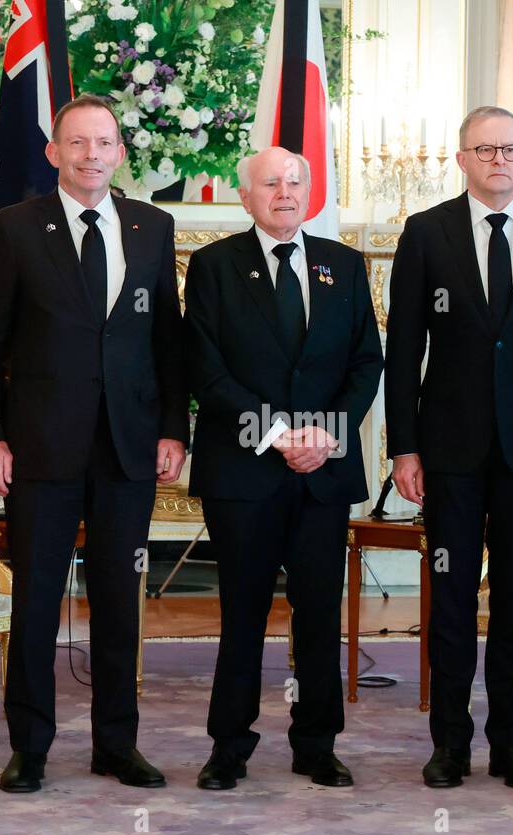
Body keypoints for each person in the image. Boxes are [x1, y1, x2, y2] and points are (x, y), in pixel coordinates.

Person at [0, 94, 189, 793]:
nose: (91, 154)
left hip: (128, 446)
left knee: (119, 601)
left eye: (103, 143)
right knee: (36, 600)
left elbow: (168, 339)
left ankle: (116, 745)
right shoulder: (15, 227)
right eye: (78, 142)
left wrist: (173, 429)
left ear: (120, 152)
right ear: (54, 152)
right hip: (39, 447)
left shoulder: (153, 226)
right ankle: (29, 748)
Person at [385, 106, 513, 789]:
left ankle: (510, 742)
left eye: (510, 149)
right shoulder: (426, 233)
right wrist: (404, 449)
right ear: (462, 159)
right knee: (450, 601)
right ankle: (450, 744)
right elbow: (403, 350)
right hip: (448, 450)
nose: (498, 160)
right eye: (485, 150)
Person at [185, 147, 383, 790]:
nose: (285, 192)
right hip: (244, 472)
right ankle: (229, 748)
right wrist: (274, 434)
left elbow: (366, 362)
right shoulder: (214, 266)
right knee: (242, 613)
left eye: (296, 181)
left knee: (319, 611)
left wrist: (325, 433)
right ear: (245, 196)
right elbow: (205, 367)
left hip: (322, 471)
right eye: (270, 183)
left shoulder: (344, 266)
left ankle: (317, 745)